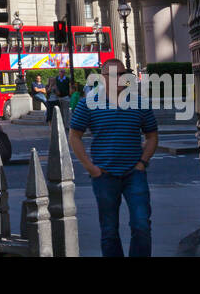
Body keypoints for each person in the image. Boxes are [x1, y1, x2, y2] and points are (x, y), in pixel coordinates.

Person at [67, 59, 159, 257]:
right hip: (104, 175)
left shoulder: (139, 102)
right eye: (114, 75)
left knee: (142, 226)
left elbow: (152, 136)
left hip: (134, 174)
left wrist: (143, 163)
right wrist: (91, 168)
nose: (120, 78)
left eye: (122, 74)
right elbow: (74, 136)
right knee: (109, 231)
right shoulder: (88, 103)